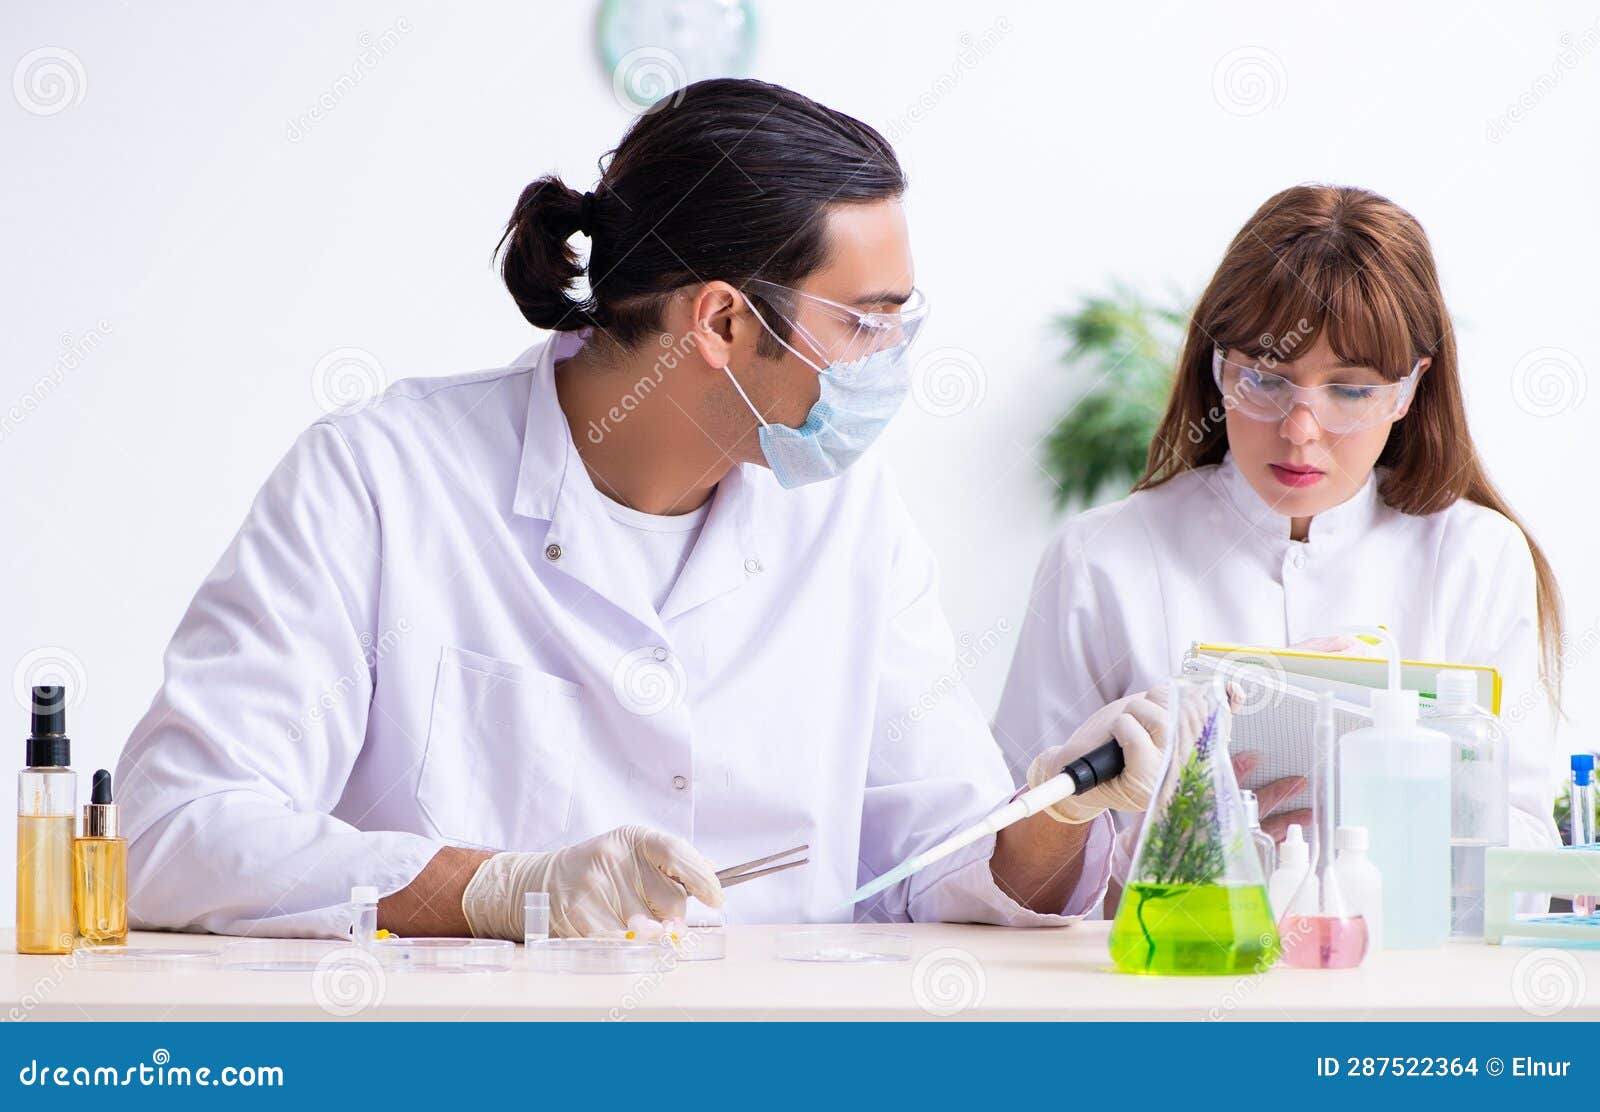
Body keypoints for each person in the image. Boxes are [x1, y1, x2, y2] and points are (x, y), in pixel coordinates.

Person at [115, 79, 1163, 941]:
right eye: (865, 324)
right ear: (720, 320)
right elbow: (176, 832)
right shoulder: (381, 479)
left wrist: (1055, 809)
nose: (890, 362)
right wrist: (498, 888)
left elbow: (945, 866)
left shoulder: (846, 514)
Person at [995, 184, 1562, 909]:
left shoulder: (1477, 559)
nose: (1300, 430)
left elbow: (1523, 859)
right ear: (1216, 366)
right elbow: (1009, 882)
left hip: (1401, 997)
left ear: (1409, 388)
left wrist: (1399, 784)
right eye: (1264, 379)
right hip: (1164, 998)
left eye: (1350, 391)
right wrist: (1125, 825)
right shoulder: (1104, 557)